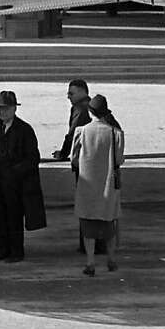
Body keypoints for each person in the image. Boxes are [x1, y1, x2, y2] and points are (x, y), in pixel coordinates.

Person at [0, 90, 45, 263]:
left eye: (5, 108)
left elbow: (33, 158)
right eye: (0, 108)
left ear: (13, 109)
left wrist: (15, 172)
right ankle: (2, 248)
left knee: (14, 216)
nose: (2, 112)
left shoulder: (24, 130)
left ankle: (16, 251)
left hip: (14, 183)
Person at [70, 93, 125, 275]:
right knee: (109, 224)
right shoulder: (115, 133)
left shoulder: (82, 131)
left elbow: (75, 159)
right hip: (107, 184)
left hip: (87, 185)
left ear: (91, 112)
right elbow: (118, 159)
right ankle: (111, 259)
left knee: (88, 226)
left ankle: (90, 262)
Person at [53, 79, 92, 161]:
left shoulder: (80, 109)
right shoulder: (95, 106)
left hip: (86, 157)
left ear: (82, 92)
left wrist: (63, 154)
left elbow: (73, 134)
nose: (68, 97)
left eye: (71, 94)